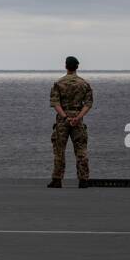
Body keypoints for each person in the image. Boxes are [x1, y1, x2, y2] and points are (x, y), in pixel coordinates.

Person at [49, 56, 94, 188]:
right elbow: (88, 104)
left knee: (59, 150)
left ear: (65, 66)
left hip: (63, 120)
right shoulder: (84, 84)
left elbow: (55, 103)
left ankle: (57, 179)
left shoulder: (59, 83)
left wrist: (65, 117)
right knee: (81, 150)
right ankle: (83, 179)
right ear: (77, 67)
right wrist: (78, 117)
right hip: (77, 119)